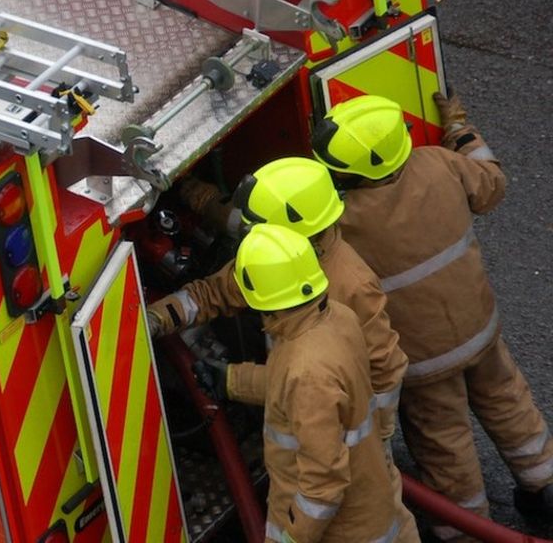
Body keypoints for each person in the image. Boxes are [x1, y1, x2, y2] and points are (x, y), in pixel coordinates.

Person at [311, 93, 553, 540]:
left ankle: (466, 528)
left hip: (424, 365)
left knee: (445, 445)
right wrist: (459, 127)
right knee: (509, 401)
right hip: (480, 329)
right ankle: (544, 482)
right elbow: (492, 184)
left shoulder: (344, 221)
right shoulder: (440, 163)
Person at [148, 157, 418, 541]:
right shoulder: (326, 308)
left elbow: (321, 484)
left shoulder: (346, 292)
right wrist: (228, 378)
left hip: (337, 514)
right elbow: (221, 296)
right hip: (362, 483)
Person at [232, 223, 398, 543]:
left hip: (341, 533)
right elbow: (289, 386)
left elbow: (322, 485)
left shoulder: (305, 371)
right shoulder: (336, 318)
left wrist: (291, 539)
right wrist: (231, 380)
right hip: (368, 506)